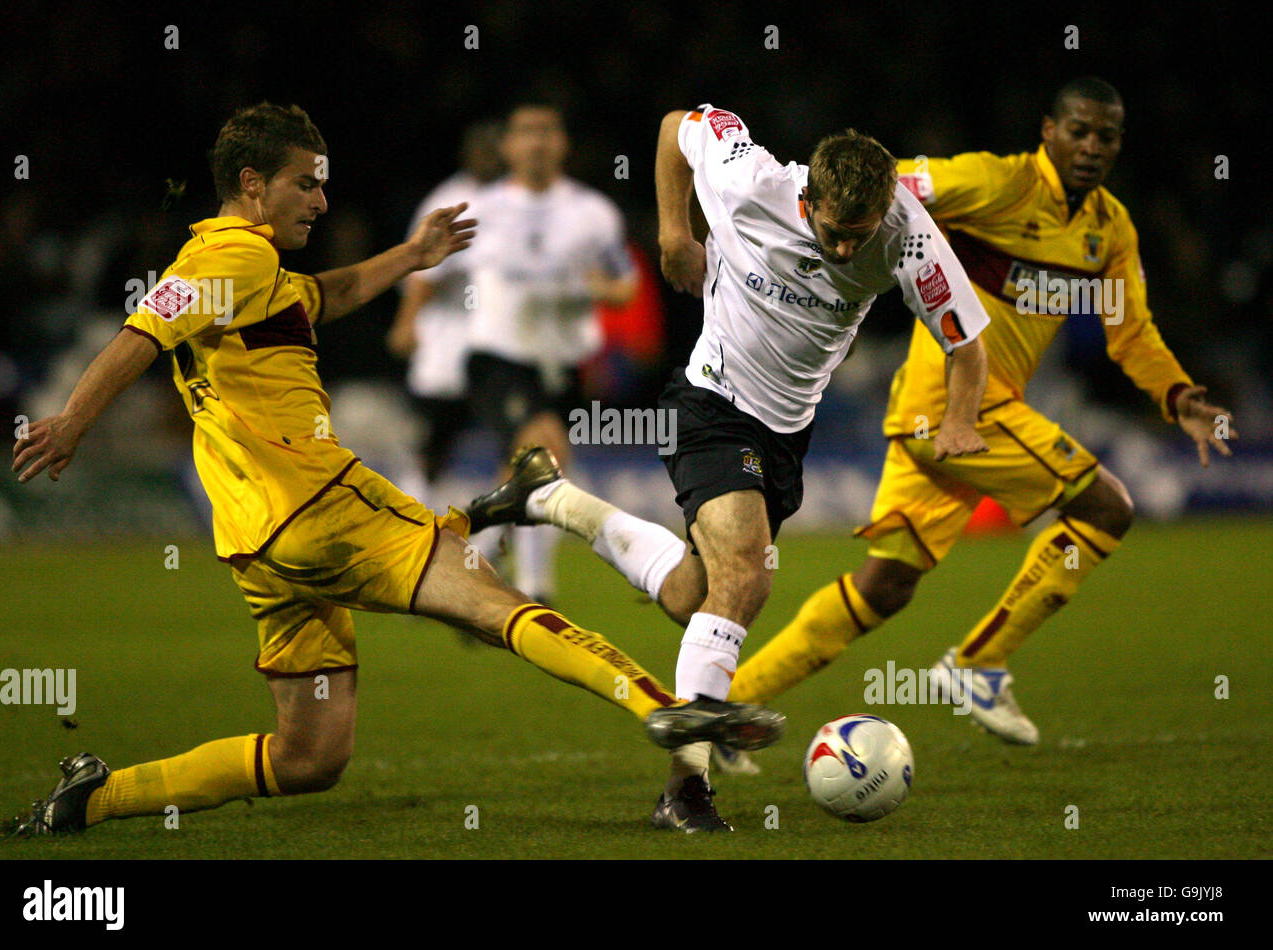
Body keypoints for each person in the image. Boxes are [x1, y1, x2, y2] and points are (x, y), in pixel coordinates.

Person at [5, 102, 782, 837]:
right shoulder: (235, 257)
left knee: (308, 758)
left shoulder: (240, 266)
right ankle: (664, 707)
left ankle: (94, 799)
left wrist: (413, 256)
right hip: (320, 506)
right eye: (304, 182)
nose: (320, 197)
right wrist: (73, 420)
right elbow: (139, 333)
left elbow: (327, 295)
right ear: (252, 185)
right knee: (492, 601)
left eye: (323, 179)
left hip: (255, 546)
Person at [468, 102, 992, 830]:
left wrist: (961, 420)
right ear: (806, 199)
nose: (845, 253)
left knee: (695, 595)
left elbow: (966, 345)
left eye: (859, 237)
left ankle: (551, 498)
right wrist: (673, 232)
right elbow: (672, 125)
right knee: (746, 573)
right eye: (834, 233)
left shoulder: (908, 237)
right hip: (710, 403)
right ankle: (685, 790)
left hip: (785, 435)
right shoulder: (750, 177)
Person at [723, 76, 1236, 750]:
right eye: (1077, 130)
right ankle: (978, 663)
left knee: (885, 586)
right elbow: (886, 182)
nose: (1090, 146)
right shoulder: (995, 183)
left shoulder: (1109, 228)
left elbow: (1130, 330)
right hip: (959, 405)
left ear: (1117, 144)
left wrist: (1176, 393)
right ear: (1048, 131)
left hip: (946, 418)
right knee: (1106, 509)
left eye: (1105, 136)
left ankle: (722, 710)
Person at [452, 103, 637, 604]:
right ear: (507, 145)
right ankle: (535, 589)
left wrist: (598, 288)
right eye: (526, 132)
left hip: (563, 361)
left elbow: (626, 285)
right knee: (542, 452)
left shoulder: (593, 212)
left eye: (547, 131)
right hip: (499, 355)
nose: (537, 141)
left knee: (525, 472)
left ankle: (475, 565)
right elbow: (433, 278)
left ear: (563, 144)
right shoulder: (478, 208)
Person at [387, 120, 504, 496]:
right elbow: (423, 274)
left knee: (517, 436)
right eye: (481, 149)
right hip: (448, 341)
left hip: (498, 339)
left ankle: (498, 531)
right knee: (435, 443)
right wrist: (406, 323)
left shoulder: (513, 197)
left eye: (493, 149)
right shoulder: (451, 199)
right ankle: (412, 512)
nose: (487, 156)